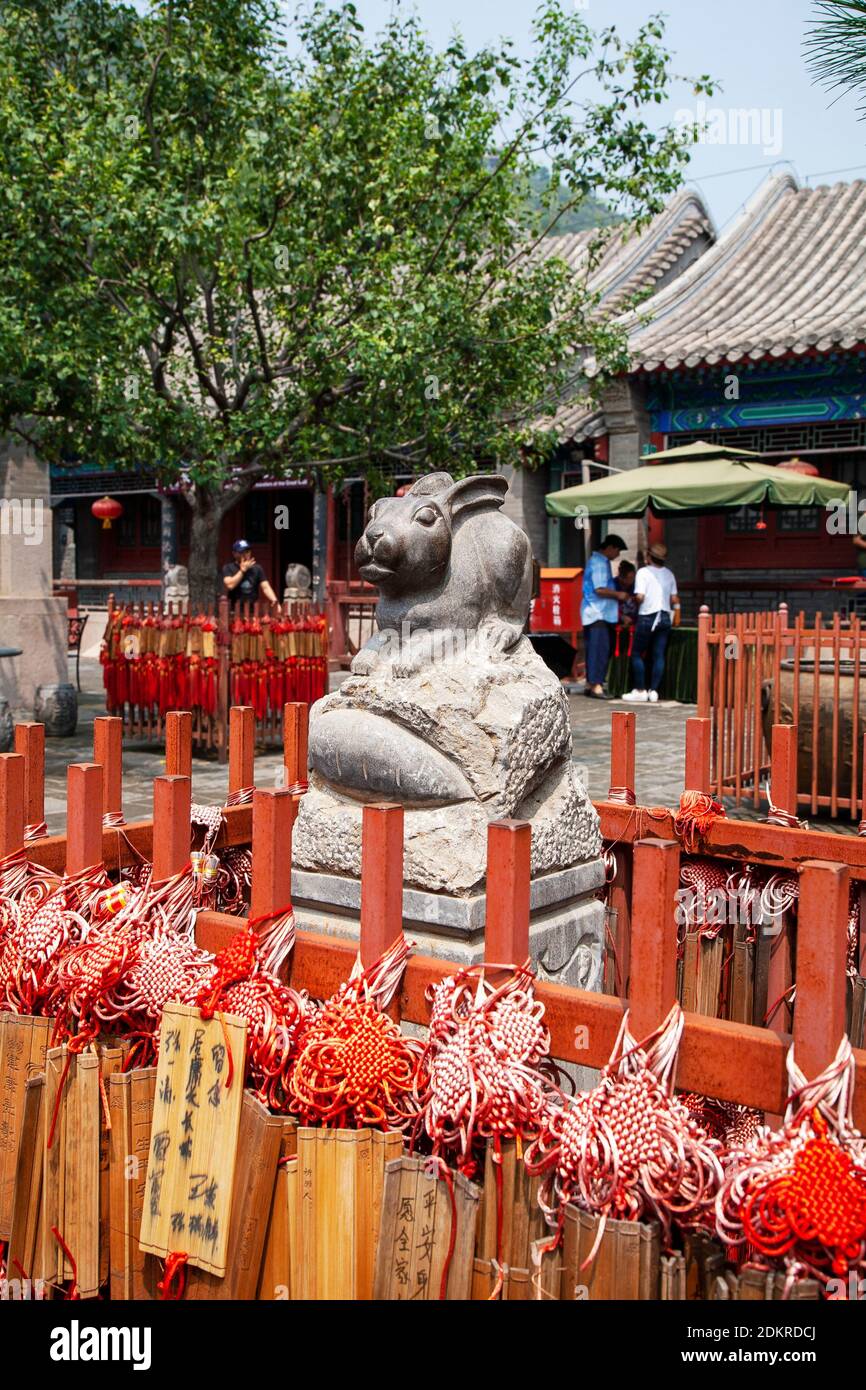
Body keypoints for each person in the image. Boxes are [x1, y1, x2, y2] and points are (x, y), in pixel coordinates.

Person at [622, 541, 680, 703]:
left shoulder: (643, 572)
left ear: (649, 557)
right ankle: (654, 690)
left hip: (647, 615)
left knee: (636, 653)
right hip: (664, 616)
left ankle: (640, 689)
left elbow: (640, 596)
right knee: (658, 654)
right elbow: (674, 598)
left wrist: (633, 601)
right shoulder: (669, 574)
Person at [580, 533, 628, 699]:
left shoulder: (600, 562)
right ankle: (596, 685)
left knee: (594, 650)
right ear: (610, 547)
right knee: (599, 651)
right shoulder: (599, 563)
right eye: (617, 550)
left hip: (596, 613)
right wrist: (618, 595)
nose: (618, 555)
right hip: (598, 613)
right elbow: (600, 589)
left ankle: (590, 683)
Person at [221, 539, 277, 607]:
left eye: (247, 551)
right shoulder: (228, 568)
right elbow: (230, 585)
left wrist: (274, 600)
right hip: (235, 609)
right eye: (241, 552)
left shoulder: (257, 568)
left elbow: (266, 587)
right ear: (234, 553)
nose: (245, 554)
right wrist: (242, 571)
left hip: (252, 609)